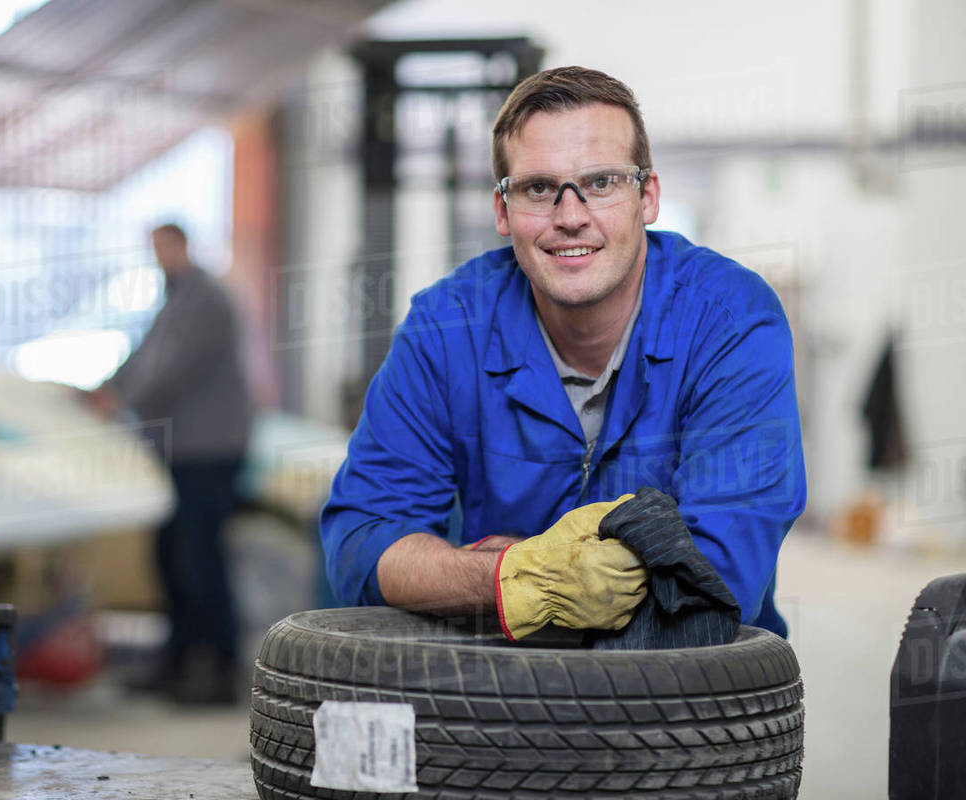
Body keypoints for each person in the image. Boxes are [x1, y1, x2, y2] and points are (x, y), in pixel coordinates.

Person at [321, 67, 805, 642]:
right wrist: (509, 577)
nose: (570, 215)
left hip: (694, 699)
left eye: (601, 182)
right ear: (502, 211)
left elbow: (716, 582)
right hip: (507, 692)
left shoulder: (730, 322)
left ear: (646, 197)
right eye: (538, 188)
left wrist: (463, 577)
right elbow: (362, 543)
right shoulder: (449, 328)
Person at [88, 223, 252, 702]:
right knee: (170, 554)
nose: (158, 256)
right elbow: (146, 355)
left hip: (209, 450)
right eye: (152, 248)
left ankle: (219, 669)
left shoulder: (207, 300)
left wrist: (117, 399)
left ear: (181, 245)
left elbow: (172, 367)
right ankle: (178, 659)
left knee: (201, 557)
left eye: (163, 246)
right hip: (179, 450)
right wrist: (106, 388)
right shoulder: (175, 298)